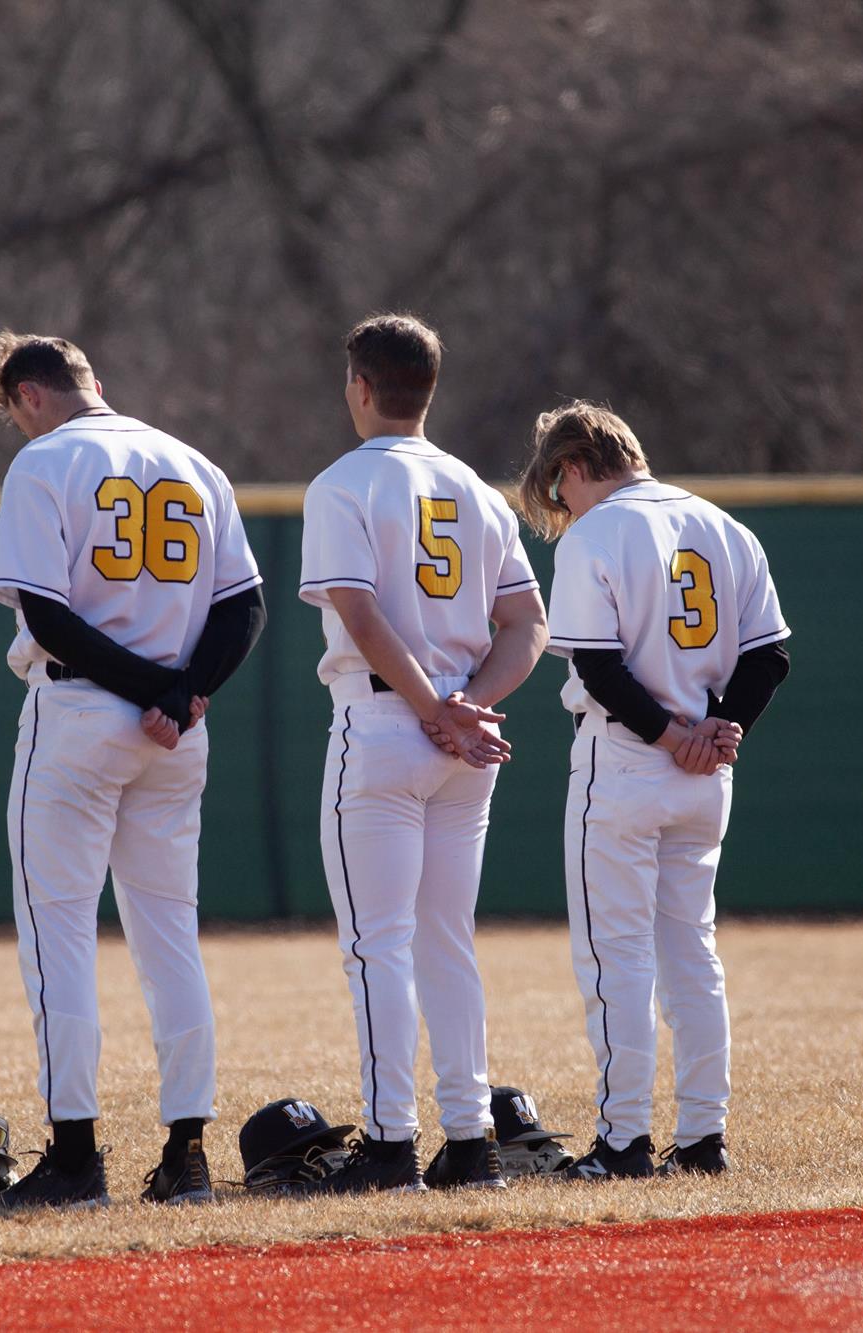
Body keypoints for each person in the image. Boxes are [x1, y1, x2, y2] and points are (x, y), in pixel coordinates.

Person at [0, 330, 266, 1209]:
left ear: (29, 394)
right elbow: (244, 608)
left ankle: (75, 1159)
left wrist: (154, 688)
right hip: (175, 734)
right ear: (92, 380)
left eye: (9, 410)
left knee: (58, 931)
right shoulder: (193, 461)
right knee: (169, 933)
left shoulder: (43, 463)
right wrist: (184, 695)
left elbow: (49, 618)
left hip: (79, 714)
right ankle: (186, 1156)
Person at [297, 313, 549, 1193]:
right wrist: (468, 706)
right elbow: (527, 624)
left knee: (378, 945)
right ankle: (471, 1143)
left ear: (362, 388)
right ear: (428, 390)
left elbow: (359, 616)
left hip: (386, 726)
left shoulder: (343, 482)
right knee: (447, 942)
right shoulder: (478, 491)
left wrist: (434, 706)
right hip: (461, 741)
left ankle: (392, 1145)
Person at [511, 401, 790, 1180]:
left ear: (571, 466)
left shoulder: (596, 533)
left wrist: (672, 738)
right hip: (708, 774)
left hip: (626, 764)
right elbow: (770, 657)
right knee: (692, 953)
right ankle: (703, 1139)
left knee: (616, 958)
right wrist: (721, 730)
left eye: (556, 486)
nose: (559, 502)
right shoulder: (724, 526)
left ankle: (622, 1141)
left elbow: (599, 669)